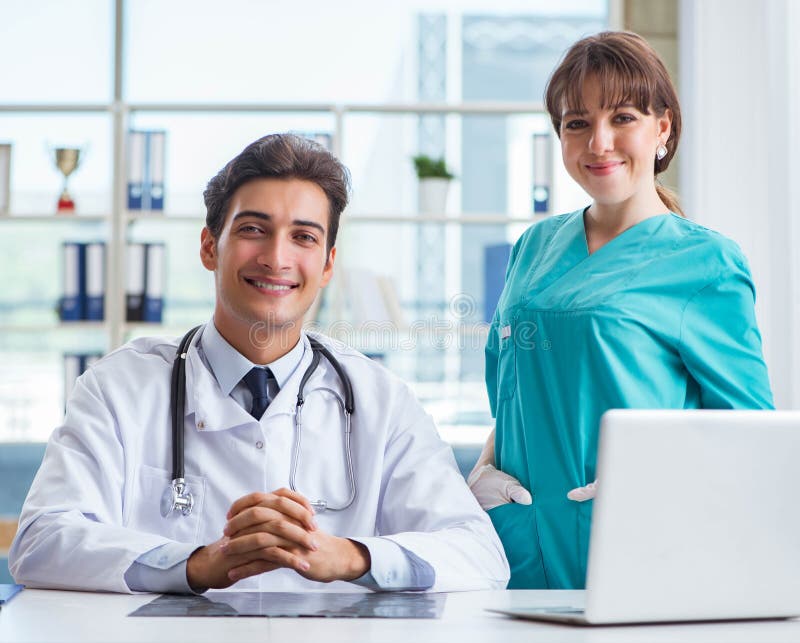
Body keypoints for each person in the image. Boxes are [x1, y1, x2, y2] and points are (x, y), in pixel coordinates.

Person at [10, 133, 509, 594]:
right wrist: (196, 563)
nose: (276, 257)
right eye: (254, 229)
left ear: (328, 264)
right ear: (210, 246)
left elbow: (480, 553)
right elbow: (40, 538)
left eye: (304, 237)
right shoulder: (119, 387)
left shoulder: (381, 399)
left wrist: (351, 556)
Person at [467, 31, 774, 589]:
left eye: (623, 117)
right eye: (576, 123)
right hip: (515, 551)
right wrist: (483, 471)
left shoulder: (705, 263)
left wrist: (657, 474)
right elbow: (518, 389)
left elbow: (751, 436)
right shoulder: (533, 248)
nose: (598, 143)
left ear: (663, 128)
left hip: (636, 550)